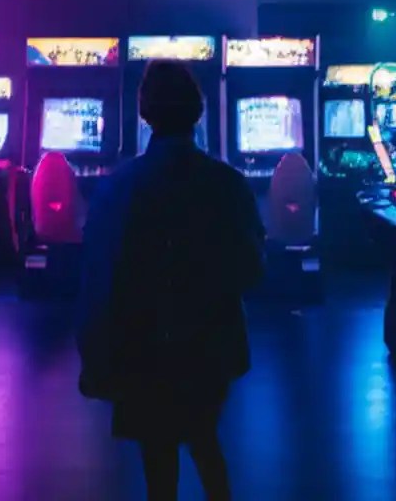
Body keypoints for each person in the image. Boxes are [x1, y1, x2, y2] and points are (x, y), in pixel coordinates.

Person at [77, 60, 266, 501]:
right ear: (198, 111)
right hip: (210, 345)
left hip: (140, 344)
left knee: (157, 460)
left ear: (144, 112)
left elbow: (97, 280)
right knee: (205, 442)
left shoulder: (117, 187)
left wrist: (92, 352)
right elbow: (252, 271)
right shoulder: (228, 183)